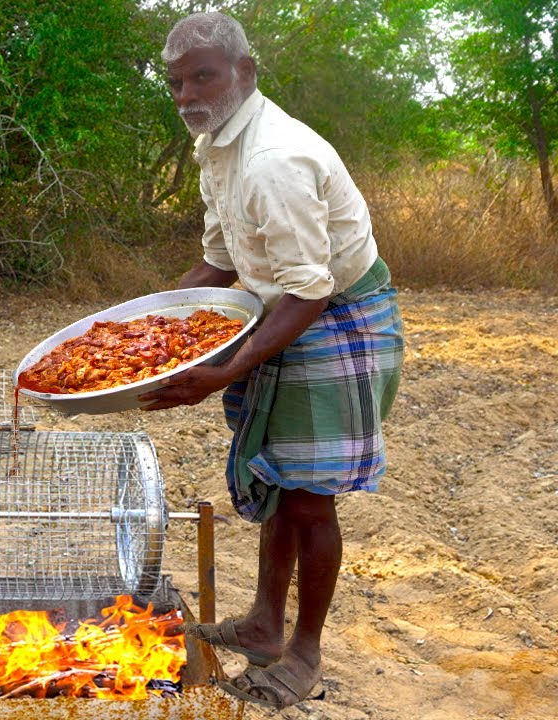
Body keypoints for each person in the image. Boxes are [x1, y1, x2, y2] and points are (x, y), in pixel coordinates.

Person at [139, 11, 404, 711]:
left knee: (311, 495)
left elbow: (311, 289)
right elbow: (222, 259)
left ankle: (305, 652)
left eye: (204, 75)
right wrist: (135, 325)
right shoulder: (218, 148)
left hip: (336, 314)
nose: (189, 93)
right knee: (277, 477)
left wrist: (225, 370)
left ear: (244, 73)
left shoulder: (272, 160)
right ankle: (263, 623)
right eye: (176, 82)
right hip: (281, 305)